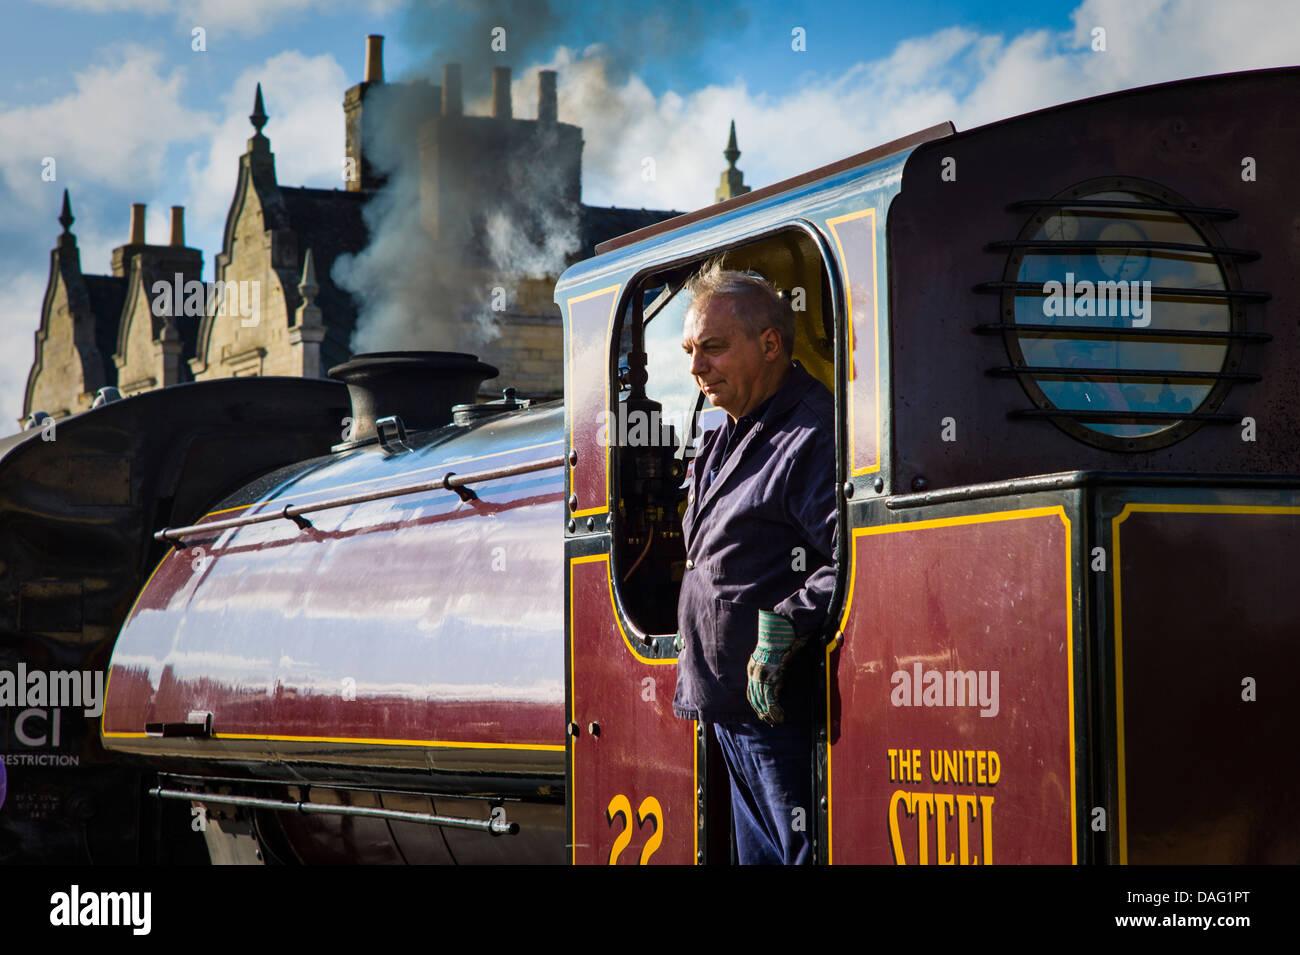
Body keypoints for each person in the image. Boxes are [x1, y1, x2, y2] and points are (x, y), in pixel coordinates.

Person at [671, 261, 837, 865]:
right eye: (690, 351)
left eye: (712, 348)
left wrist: (785, 625)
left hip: (779, 708)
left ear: (770, 345)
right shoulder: (724, 435)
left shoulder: (811, 435)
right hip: (729, 702)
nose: (695, 368)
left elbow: (853, 554)